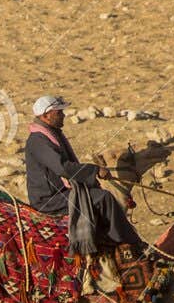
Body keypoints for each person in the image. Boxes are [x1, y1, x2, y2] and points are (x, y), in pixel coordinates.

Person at [24, 94, 144, 251]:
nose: (63, 115)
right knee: (103, 198)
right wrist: (94, 170)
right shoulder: (38, 140)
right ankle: (129, 244)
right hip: (50, 198)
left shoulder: (51, 133)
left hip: (61, 192)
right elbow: (62, 167)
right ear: (46, 115)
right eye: (59, 112)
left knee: (98, 194)